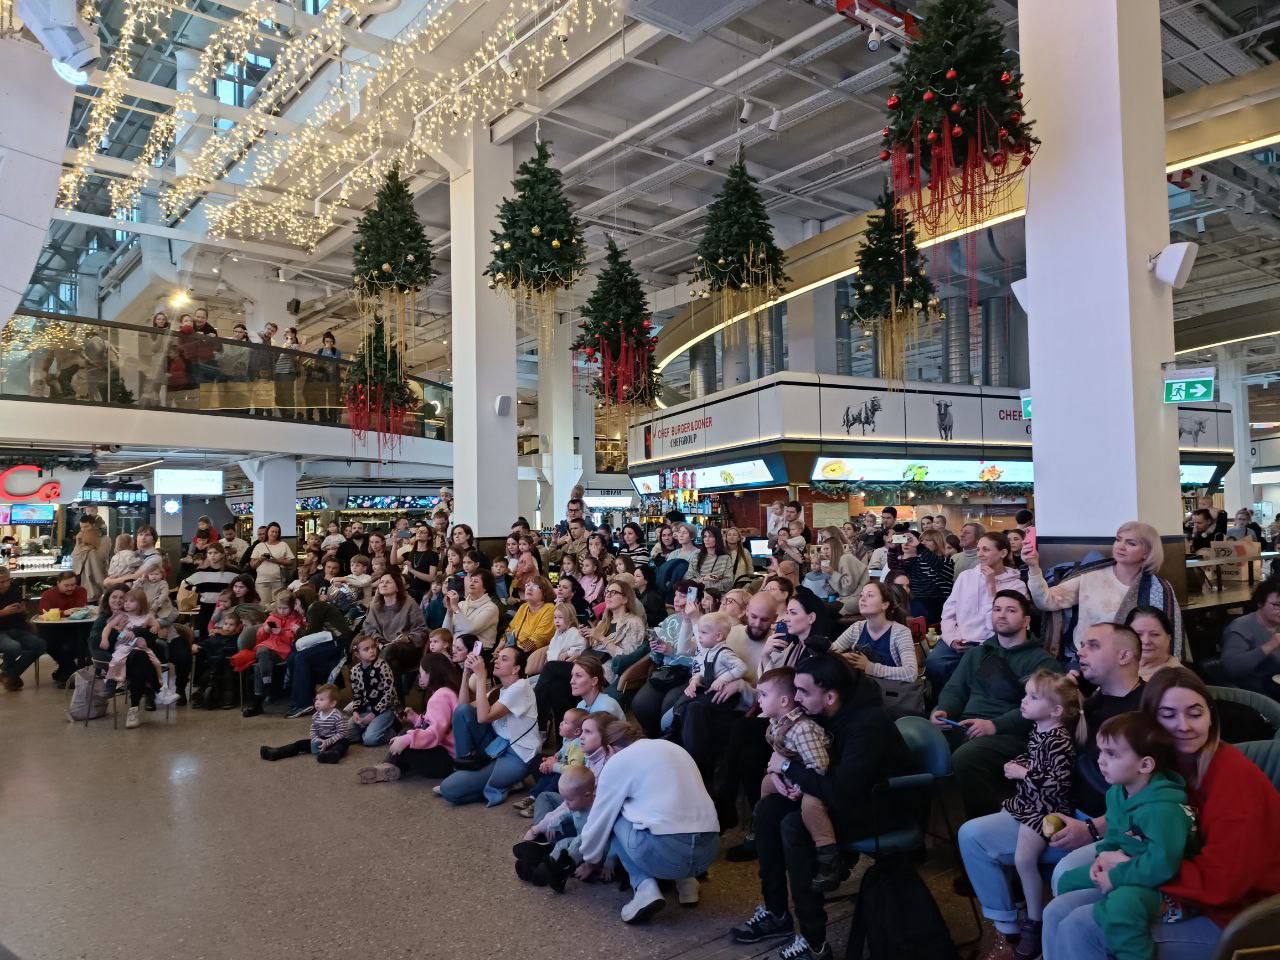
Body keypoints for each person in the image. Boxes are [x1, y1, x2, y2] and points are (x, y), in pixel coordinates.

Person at [1043, 667, 1280, 960]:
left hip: (1240, 911)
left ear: (1211, 716)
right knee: (1057, 911)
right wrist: (1110, 852)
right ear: (1148, 722)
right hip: (1178, 880)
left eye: (1195, 713)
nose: (1184, 726)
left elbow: (1225, 883)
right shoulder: (1162, 764)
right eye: (1168, 715)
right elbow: (1133, 819)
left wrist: (1126, 867)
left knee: (1082, 928)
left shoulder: (1234, 779)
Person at [731, 654, 914, 960]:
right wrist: (777, 775)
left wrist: (788, 769)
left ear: (829, 696)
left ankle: (814, 942)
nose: (796, 698)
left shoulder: (867, 724)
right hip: (833, 796)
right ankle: (776, 912)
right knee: (766, 812)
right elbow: (797, 759)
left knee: (793, 826)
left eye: (803, 692)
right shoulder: (820, 712)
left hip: (878, 805)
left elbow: (842, 790)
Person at [1053, 712, 1192, 960]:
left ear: (1145, 765)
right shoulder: (1117, 793)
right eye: (1101, 752)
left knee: (1121, 907)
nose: (1101, 761)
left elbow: (1162, 865)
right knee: (1066, 881)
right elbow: (1115, 836)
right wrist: (1101, 859)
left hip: (1165, 887)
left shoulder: (1163, 810)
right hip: (1129, 866)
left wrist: (1115, 877)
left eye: (1112, 754)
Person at [931, 591, 1063, 819]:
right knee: (912, 745)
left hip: (1011, 734)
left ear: (1026, 620)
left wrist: (994, 725)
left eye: (1011, 610)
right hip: (964, 724)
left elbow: (1043, 712)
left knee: (967, 756)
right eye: (997, 609)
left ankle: (979, 827)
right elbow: (955, 690)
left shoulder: (1043, 662)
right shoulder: (977, 653)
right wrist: (943, 710)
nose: (1002, 615)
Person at [575, 727, 720, 924]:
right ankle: (687, 884)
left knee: (615, 815)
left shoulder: (618, 760)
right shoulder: (675, 748)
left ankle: (644, 888)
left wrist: (589, 858)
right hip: (708, 850)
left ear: (610, 749)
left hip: (667, 852)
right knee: (667, 813)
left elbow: (599, 821)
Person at [1001, 670, 1085, 959]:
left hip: (1047, 807)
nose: (1024, 701)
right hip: (1031, 800)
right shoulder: (1040, 730)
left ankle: (1034, 922)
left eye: (1033, 697)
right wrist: (1020, 762)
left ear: (1056, 710)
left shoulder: (1059, 739)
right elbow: (1036, 758)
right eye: (1026, 695)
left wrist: (1024, 773)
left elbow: (1059, 781)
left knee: (1023, 859)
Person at [1026, 520, 1183, 667]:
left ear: (1146, 553)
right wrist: (1033, 567)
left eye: (1131, 543)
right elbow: (1046, 601)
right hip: (1086, 661)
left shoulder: (1158, 588)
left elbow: (1167, 634)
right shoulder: (1091, 576)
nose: (1120, 546)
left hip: (1136, 666)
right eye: (1118, 539)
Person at [756, 667, 841, 890]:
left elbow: (820, 767)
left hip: (816, 779)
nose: (759, 700)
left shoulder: (802, 728)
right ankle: (768, 831)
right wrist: (775, 774)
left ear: (784, 700)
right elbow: (778, 757)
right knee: (766, 783)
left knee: (811, 805)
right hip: (793, 773)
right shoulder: (776, 722)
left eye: (764, 695)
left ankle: (828, 855)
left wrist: (801, 787)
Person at [439, 645, 543, 806]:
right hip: (497, 744)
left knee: (448, 790)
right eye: (498, 657)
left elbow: (483, 717)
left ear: (516, 669)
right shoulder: (503, 688)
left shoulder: (520, 687)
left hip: (516, 754)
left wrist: (481, 677)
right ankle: (465, 771)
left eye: (504, 659)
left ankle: (490, 784)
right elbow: (461, 708)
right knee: (463, 712)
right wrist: (466, 674)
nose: (497, 661)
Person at [929, 531, 1029, 691]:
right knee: (935, 662)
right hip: (959, 638)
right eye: (978, 549)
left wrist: (991, 587)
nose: (980, 554)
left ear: (1003, 553)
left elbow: (999, 625)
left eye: (986, 550)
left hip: (990, 643)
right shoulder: (965, 577)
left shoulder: (1017, 585)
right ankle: (940, 707)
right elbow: (948, 613)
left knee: (978, 673)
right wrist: (951, 638)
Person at [359, 651, 461, 783]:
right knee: (407, 733)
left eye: (421, 672)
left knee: (406, 740)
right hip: (450, 755)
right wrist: (416, 719)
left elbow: (435, 734)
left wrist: (407, 739)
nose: (420, 676)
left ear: (430, 673)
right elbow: (438, 725)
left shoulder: (440, 697)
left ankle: (389, 766)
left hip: (448, 761)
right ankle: (391, 767)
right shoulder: (447, 691)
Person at [829, 582, 920, 706]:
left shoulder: (900, 632)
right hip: (861, 695)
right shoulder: (857, 628)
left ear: (885, 605)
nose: (862, 599)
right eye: (861, 596)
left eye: (870, 595)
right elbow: (831, 652)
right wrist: (841, 658)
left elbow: (910, 673)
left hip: (890, 698)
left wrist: (870, 667)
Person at [242, 588, 303, 716]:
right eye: (279, 608)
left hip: (283, 650)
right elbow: (260, 638)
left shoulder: (296, 619)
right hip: (269, 646)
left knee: (259, 665)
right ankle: (268, 684)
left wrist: (281, 632)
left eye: (285, 608)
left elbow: (294, 639)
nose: (281, 611)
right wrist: (264, 629)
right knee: (262, 651)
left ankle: (258, 701)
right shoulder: (272, 616)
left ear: (291, 607)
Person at [362, 569, 427, 684]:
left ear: (397, 587)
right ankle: (395, 699)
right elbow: (369, 628)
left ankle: (373, 685)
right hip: (384, 648)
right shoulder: (375, 606)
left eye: (388, 582)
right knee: (393, 665)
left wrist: (407, 638)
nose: (384, 584)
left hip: (407, 648)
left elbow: (422, 630)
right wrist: (379, 641)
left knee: (390, 650)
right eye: (381, 582)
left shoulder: (409, 603)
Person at [1219, 580, 1280, 700]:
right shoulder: (1240, 628)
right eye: (1277, 605)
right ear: (1260, 603)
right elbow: (1231, 667)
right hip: (1257, 695)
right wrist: (1270, 645)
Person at [259, 684, 350, 763]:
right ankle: (276, 752)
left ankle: (332, 755)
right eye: (316, 699)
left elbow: (342, 733)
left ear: (332, 703)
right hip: (321, 741)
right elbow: (313, 730)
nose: (317, 702)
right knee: (300, 744)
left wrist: (328, 742)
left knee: (344, 743)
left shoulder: (337, 715)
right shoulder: (316, 715)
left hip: (334, 741)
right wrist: (315, 739)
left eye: (321, 699)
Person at [588, 577, 649, 692]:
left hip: (605, 671)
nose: (608, 596)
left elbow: (626, 657)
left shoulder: (634, 622)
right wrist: (587, 637)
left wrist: (602, 638)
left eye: (613, 592)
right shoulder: (604, 621)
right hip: (590, 663)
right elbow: (594, 648)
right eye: (607, 592)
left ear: (625, 599)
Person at [892, 528, 953, 625]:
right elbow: (895, 571)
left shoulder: (946, 561)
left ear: (937, 543)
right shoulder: (916, 560)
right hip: (915, 603)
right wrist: (892, 548)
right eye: (921, 540)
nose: (923, 542)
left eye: (928, 540)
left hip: (937, 604)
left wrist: (919, 546)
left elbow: (935, 563)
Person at [442, 570, 500, 649]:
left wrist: (455, 608)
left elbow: (469, 631)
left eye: (476, 581)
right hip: (456, 650)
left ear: (486, 587)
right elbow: (446, 632)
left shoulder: (491, 608)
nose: (471, 584)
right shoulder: (461, 604)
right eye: (470, 580)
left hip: (478, 653)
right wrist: (449, 611)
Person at [1124, 605, 1182, 682]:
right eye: (1138, 634)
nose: (1146, 641)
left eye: (1155, 634)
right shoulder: (1116, 666)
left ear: (1169, 638)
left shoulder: (1177, 680)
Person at [508, 577, 556, 652]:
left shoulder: (550, 609)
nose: (529, 588)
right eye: (527, 585)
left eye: (535, 586)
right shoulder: (524, 606)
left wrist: (515, 652)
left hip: (532, 653)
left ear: (545, 591)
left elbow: (538, 639)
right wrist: (501, 646)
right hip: (514, 649)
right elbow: (510, 629)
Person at [249, 522, 295, 599]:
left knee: (277, 605)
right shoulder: (259, 546)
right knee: (264, 606)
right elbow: (252, 565)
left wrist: (275, 560)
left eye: (276, 532)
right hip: (262, 582)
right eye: (272, 531)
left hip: (278, 581)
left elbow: (291, 562)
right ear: (267, 532)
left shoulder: (283, 544)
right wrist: (260, 559)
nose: (274, 534)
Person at [71, 516, 110, 602]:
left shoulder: (104, 539)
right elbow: (74, 560)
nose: (83, 530)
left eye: (86, 527)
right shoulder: (80, 539)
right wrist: (79, 544)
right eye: (81, 527)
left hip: (98, 582)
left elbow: (101, 558)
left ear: (94, 526)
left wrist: (88, 547)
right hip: (83, 582)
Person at [401, 522, 439, 604]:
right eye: (418, 531)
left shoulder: (433, 554)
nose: (419, 533)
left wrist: (411, 570)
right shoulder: (410, 553)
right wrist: (394, 543)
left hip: (425, 591)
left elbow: (431, 578)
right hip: (410, 591)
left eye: (423, 532)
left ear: (429, 537)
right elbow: (393, 561)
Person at [688, 526, 734, 592]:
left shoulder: (725, 558)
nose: (707, 539)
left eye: (711, 536)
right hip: (697, 594)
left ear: (717, 539)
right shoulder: (696, 555)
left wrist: (707, 584)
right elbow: (689, 579)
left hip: (716, 595)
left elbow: (729, 583)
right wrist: (704, 579)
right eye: (705, 536)